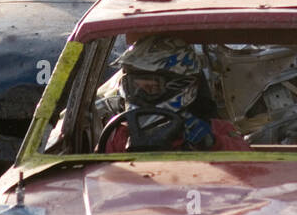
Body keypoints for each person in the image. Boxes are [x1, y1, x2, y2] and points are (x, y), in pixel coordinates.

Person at [103, 38, 249, 153]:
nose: (140, 95)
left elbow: (252, 168)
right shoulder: (120, 133)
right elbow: (98, 178)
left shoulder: (217, 130)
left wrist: (213, 143)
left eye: (151, 87)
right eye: (134, 87)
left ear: (181, 86)